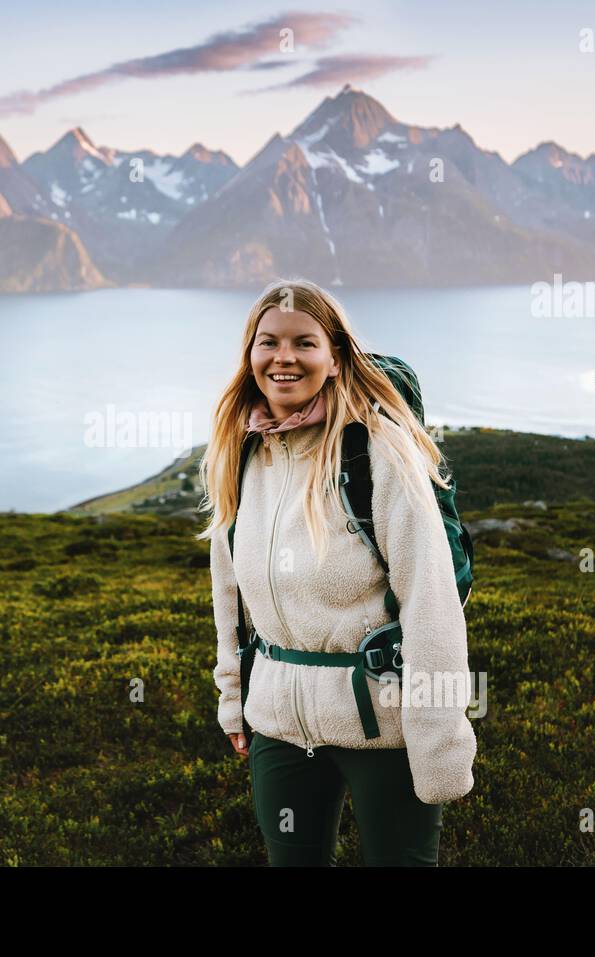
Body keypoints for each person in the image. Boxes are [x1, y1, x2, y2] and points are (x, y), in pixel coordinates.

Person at [195, 278, 477, 866]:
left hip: (385, 719)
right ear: (250, 354)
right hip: (276, 718)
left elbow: (432, 601)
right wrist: (235, 697)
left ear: (336, 355)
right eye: (268, 341)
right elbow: (231, 591)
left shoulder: (379, 451)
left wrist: (440, 741)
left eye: (304, 342)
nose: (284, 357)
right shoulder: (240, 450)